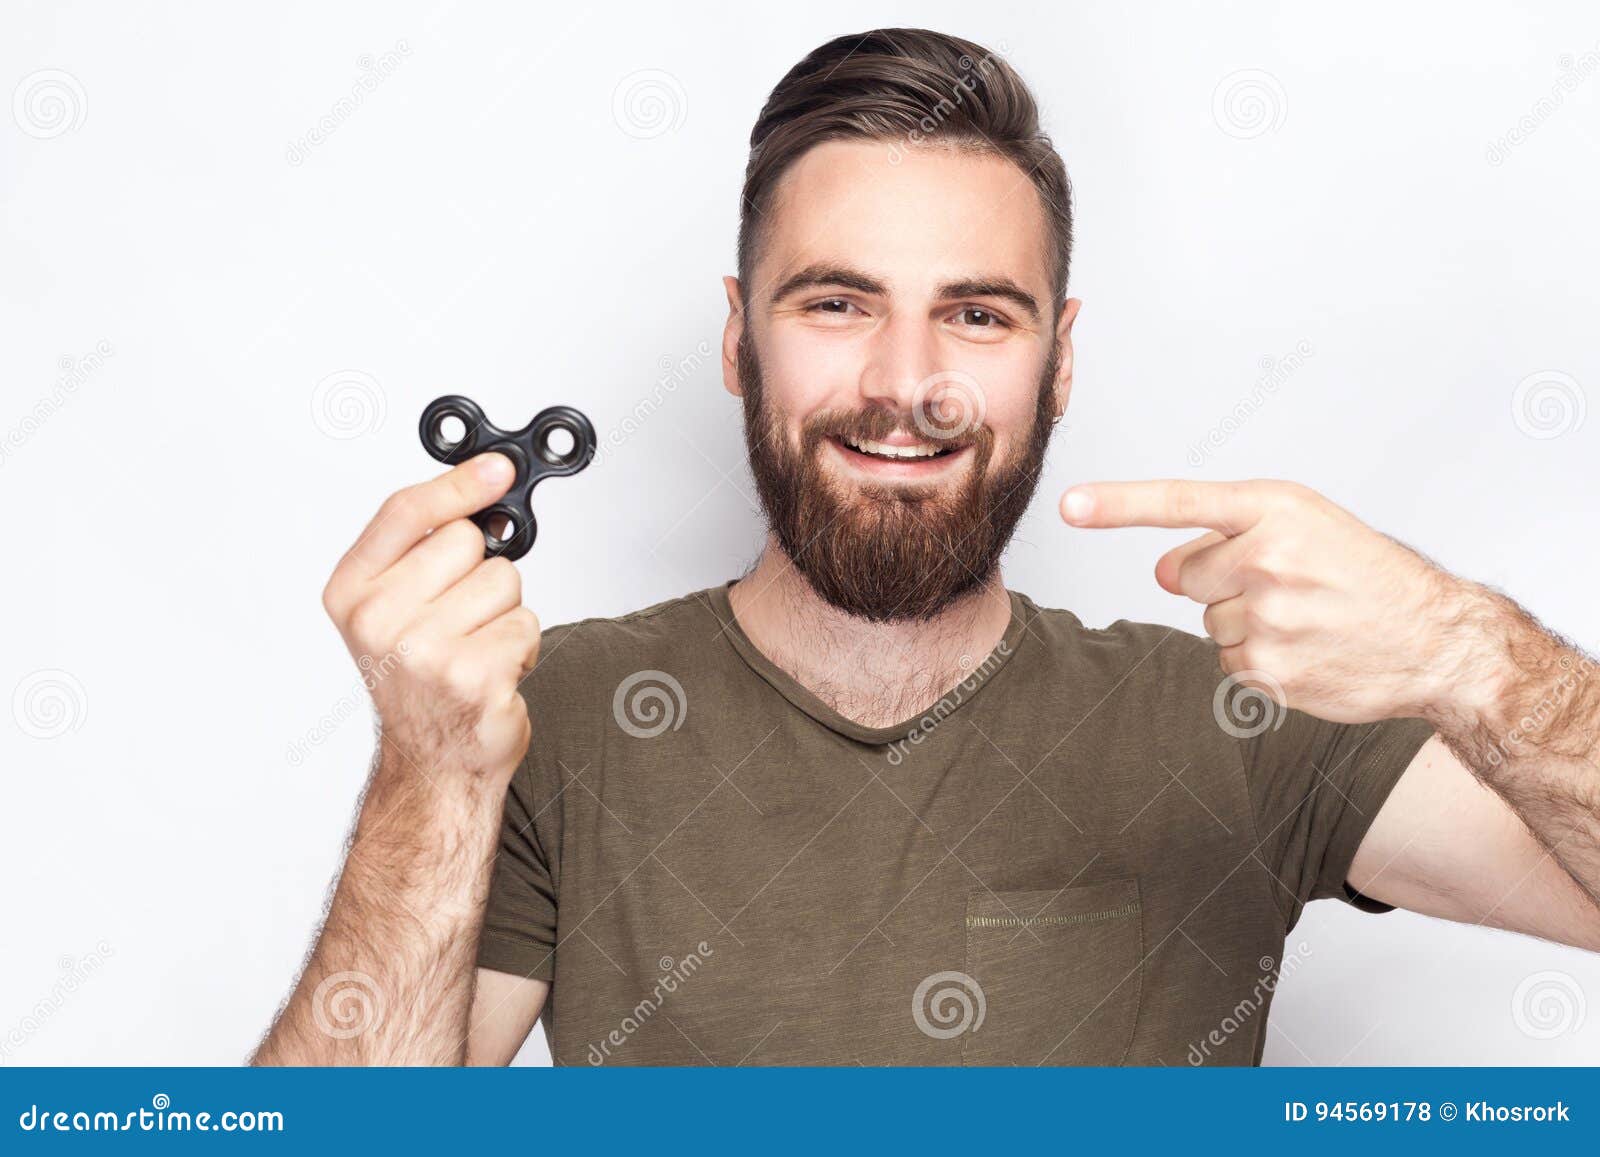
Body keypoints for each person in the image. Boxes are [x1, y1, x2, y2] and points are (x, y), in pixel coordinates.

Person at [253, 27, 1600, 1067]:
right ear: (737, 338)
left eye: (977, 315)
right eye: (838, 303)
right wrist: (429, 774)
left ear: (1059, 360)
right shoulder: (553, 720)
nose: (906, 385)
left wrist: (1468, 653)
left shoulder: (1245, 722)